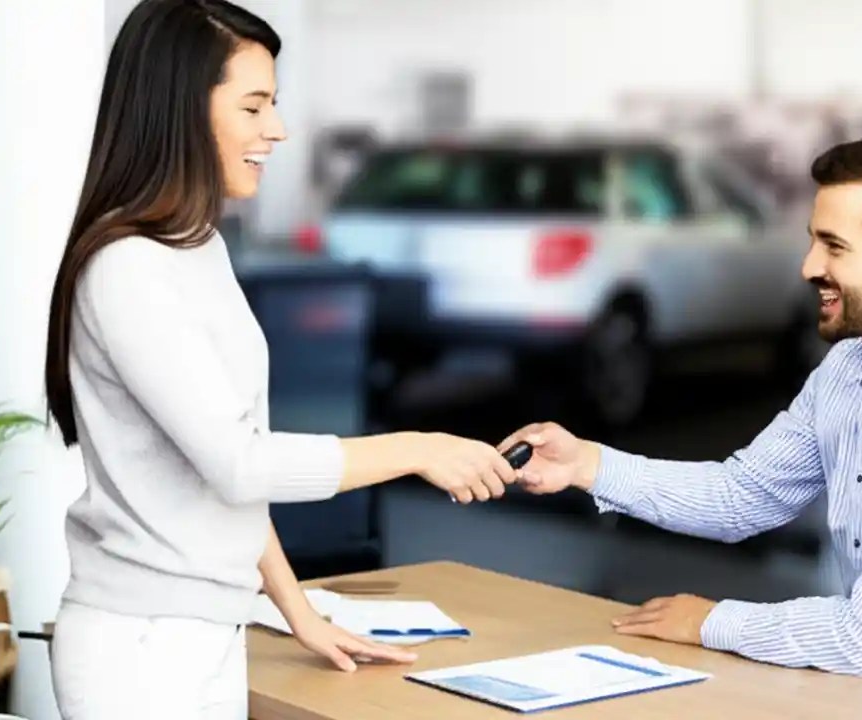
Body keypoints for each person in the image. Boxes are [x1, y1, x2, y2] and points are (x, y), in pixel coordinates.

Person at [42, 1, 517, 717]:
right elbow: (241, 462)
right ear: (179, 109)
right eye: (254, 105)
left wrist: (302, 614)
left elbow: (222, 477)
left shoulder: (196, 247)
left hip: (200, 636)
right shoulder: (128, 268)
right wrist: (415, 447)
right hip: (139, 649)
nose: (278, 129)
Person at [500, 131, 862, 706]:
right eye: (813, 241)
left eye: (834, 246)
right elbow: (742, 496)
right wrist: (589, 465)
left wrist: (711, 621)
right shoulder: (846, 371)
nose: (808, 266)